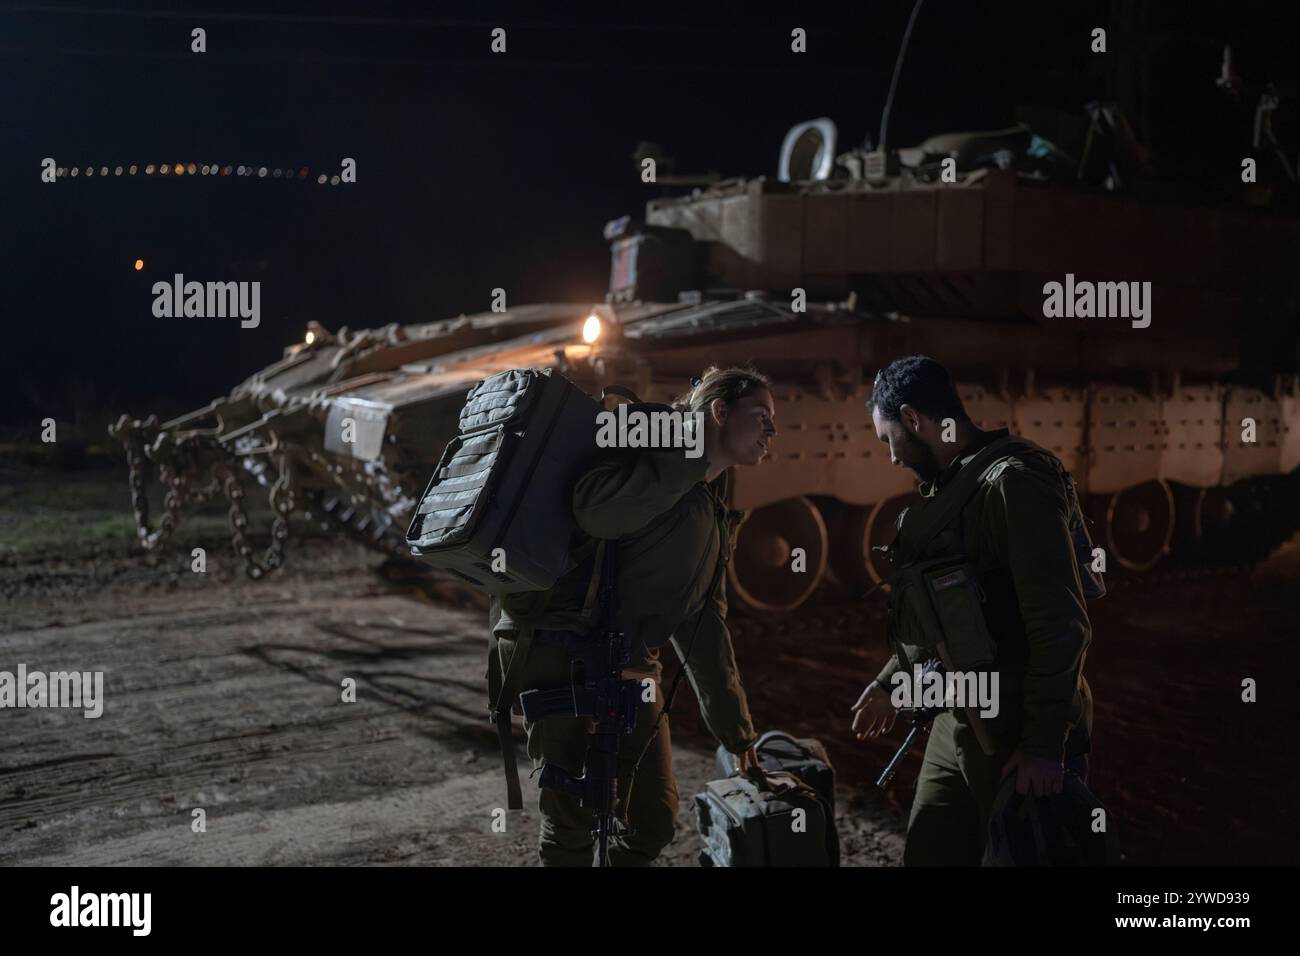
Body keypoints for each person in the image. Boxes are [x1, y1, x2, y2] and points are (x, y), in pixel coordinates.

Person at [487, 365, 778, 866]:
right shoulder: (657, 455)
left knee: (653, 819)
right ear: (720, 412)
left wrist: (737, 731)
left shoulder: (708, 503)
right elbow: (596, 511)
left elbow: (702, 622)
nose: (772, 430)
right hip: (561, 651)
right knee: (572, 817)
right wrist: (687, 458)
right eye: (761, 416)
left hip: (630, 665)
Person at [850, 356, 1094, 866]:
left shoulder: (1015, 483)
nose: (892, 457)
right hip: (956, 716)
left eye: (888, 438)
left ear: (914, 420)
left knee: (1023, 854)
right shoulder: (951, 487)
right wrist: (894, 681)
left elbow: (1060, 620)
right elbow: (948, 612)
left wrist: (1045, 744)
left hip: (1012, 721)